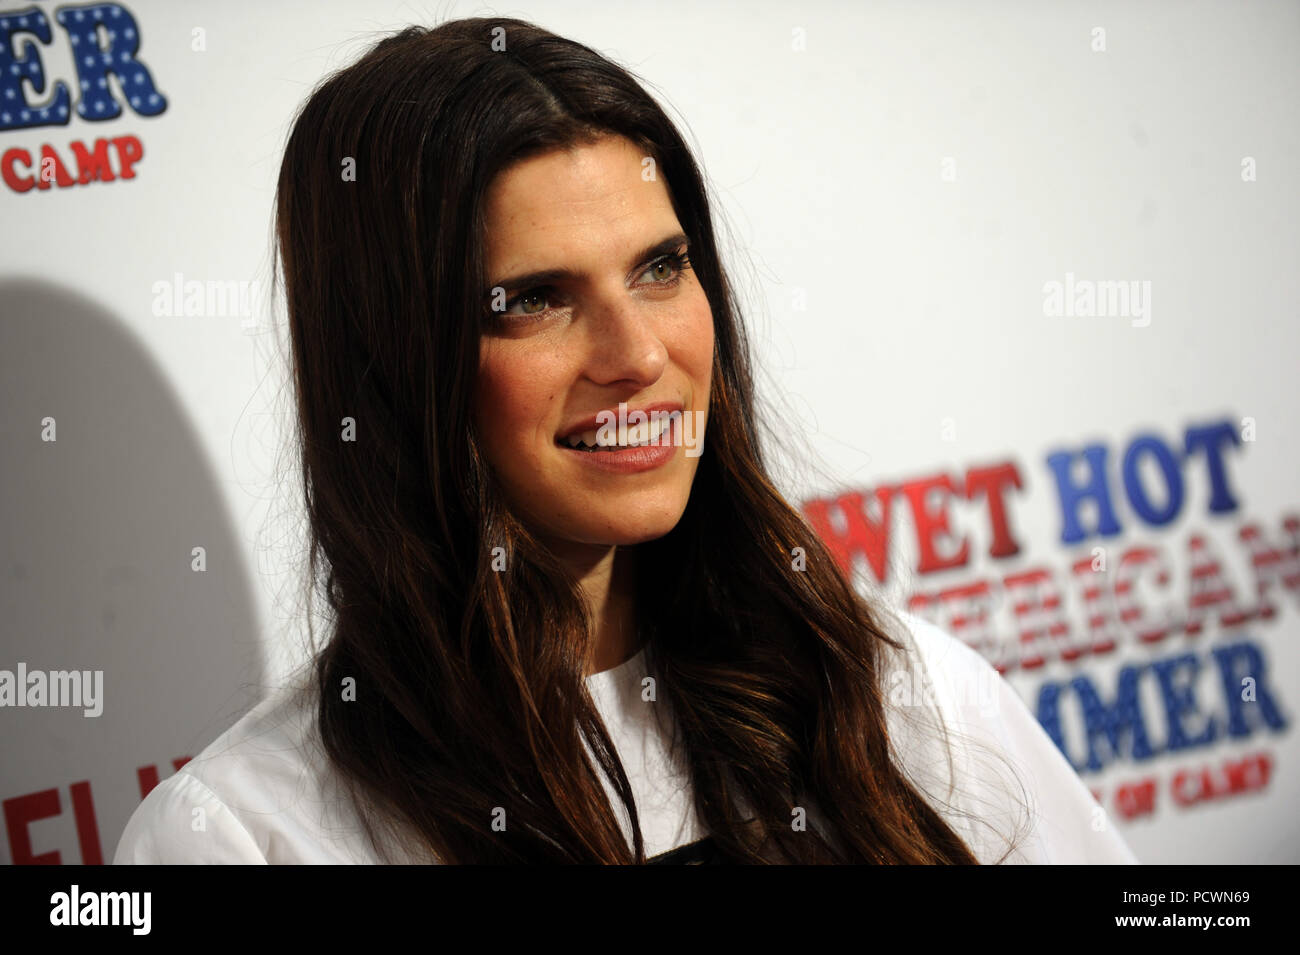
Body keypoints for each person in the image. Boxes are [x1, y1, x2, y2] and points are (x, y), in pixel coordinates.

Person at [114, 16, 1137, 865]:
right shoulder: (242, 836)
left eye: (659, 267)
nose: (637, 353)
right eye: (533, 300)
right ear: (390, 365)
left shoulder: (890, 692)